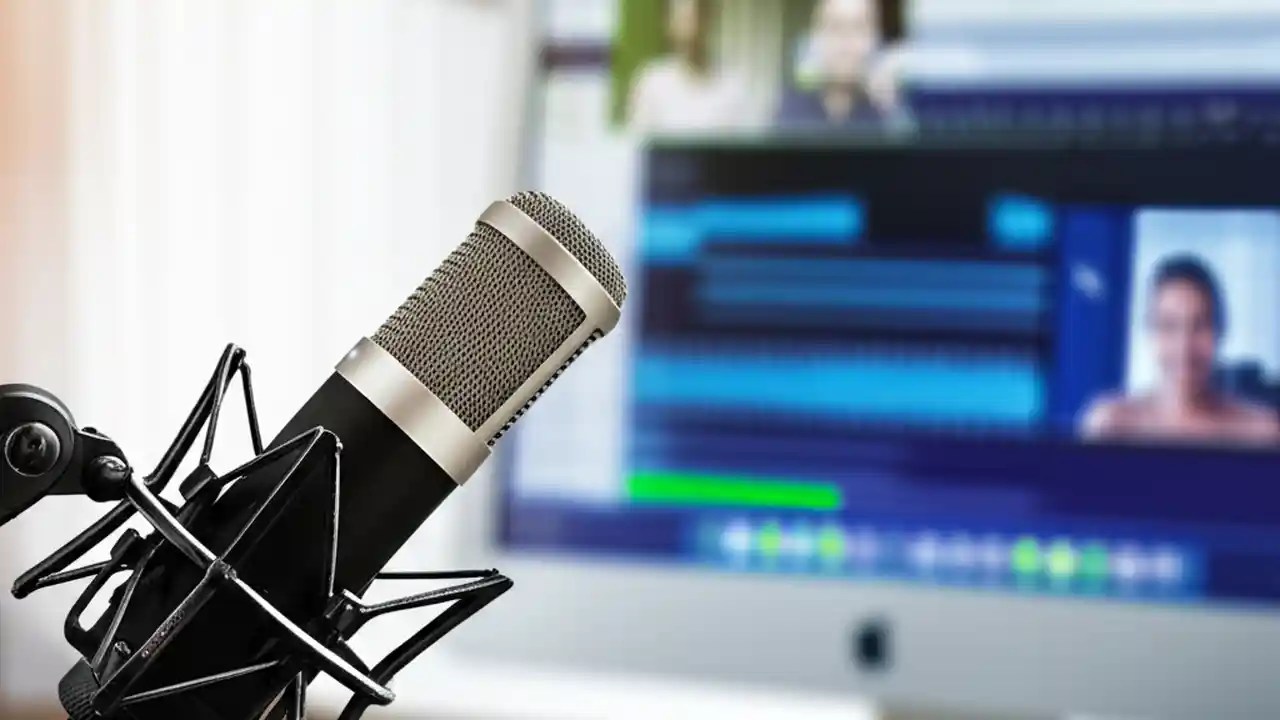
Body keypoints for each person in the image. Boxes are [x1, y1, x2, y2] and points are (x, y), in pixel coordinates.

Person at [1082, 255, 1280, 445]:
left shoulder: (1260, 432)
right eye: (1169, 325)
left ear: (1220, 330)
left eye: (1200, 325)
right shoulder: (1113, 424)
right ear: (1150, 332)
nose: (1184, 346)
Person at [775, 0, 912, 131]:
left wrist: (891, 107)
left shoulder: (887, 109)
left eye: (859, 27)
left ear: (875, 39)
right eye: (835, 27)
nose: (846, 41)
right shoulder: (791, 109)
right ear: (815, 38)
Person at [628, 0, 750, 134]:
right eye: (682, 18)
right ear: (669, 25)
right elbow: (639, 144)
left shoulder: (731, 85)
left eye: (695, 16)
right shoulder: (652, 81)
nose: (690, 28)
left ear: (708, 19)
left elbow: (740, 149)